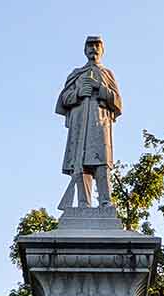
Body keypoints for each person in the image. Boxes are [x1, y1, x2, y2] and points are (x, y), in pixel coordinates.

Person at [55, 36, 122, 208]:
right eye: (90, 45)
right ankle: (83, 203)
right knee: (81, 163)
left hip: (100, 122)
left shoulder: (107, 74)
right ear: (85, 50)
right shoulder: (76, 74)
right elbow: (63, 100)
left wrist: (99, 88)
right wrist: (78, 93)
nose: (93, 48)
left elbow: (118, 102)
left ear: (102, 50)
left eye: (97, 45)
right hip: (79, 122)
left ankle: (106, 201)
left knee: (101, 162)